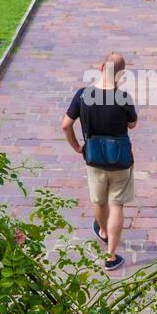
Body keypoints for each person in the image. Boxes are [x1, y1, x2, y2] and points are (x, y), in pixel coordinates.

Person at [62, 52, 137, 271]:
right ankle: (111, 256)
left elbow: (66, 125)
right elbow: (133, 124)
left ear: (102, 67)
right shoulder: (123, 97)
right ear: (121, 74)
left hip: (94, 158)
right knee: (117, 204)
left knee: (99, 201)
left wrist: (77, 146)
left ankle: (103, 231)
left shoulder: (83, 95)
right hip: (120, 160)